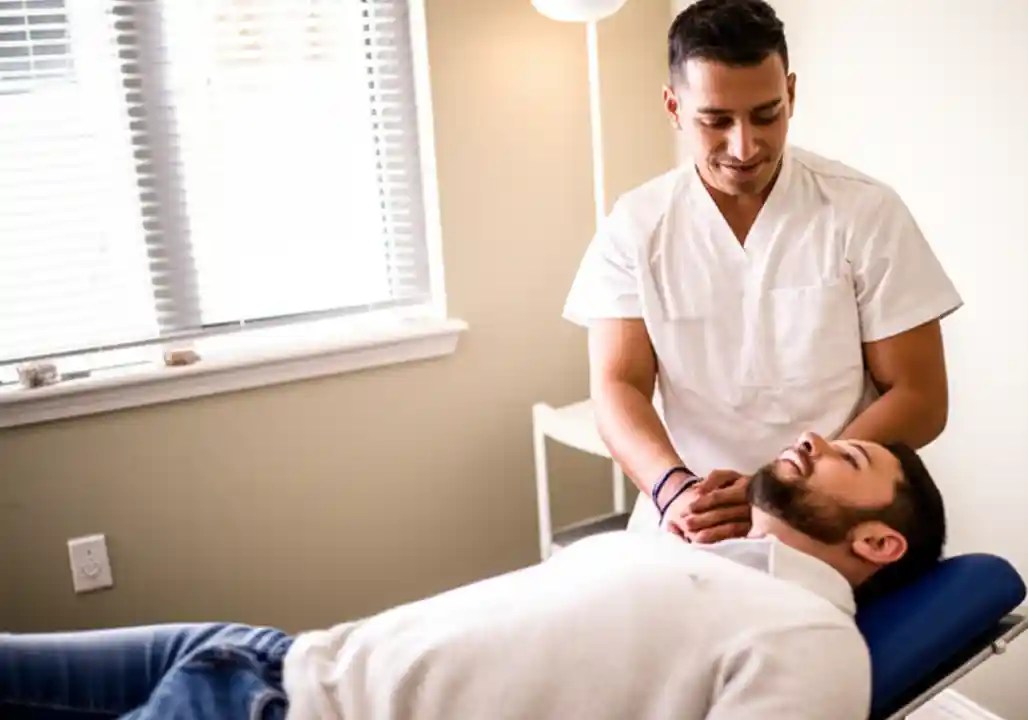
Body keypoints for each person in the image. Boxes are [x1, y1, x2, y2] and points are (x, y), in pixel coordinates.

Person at [1, 433, 946, 720]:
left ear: (878, 545)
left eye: (850, 457)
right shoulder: (689, 551)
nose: (819, 437)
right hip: (261, 652)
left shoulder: (811, 640)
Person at [562, 0, 963, 545]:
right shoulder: (636, 226)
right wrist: (674, 489)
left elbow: (920, 396)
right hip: (690, 513)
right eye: (716, 121)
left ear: (791, 95)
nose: (745, 146)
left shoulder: (863, 212)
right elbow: (618, 384)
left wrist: (780, 492)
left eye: (766, 114)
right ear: (674, 107)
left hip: (825, 521)